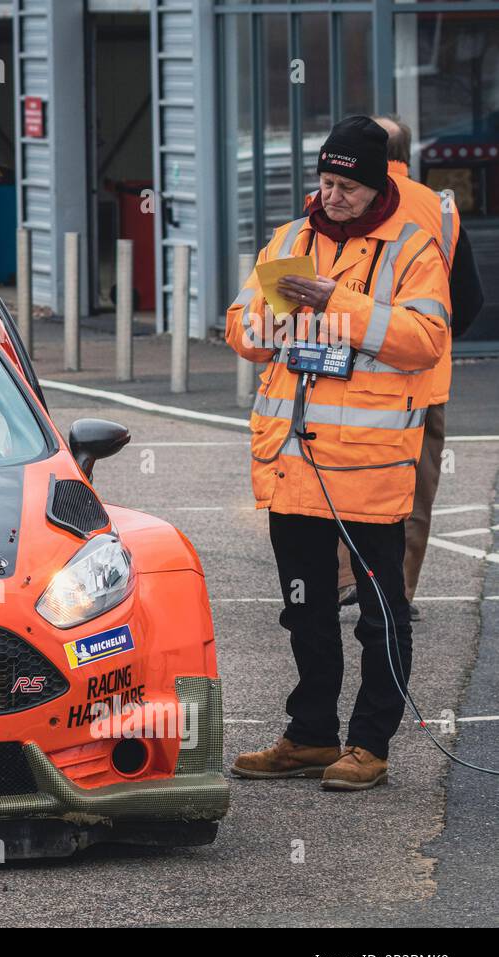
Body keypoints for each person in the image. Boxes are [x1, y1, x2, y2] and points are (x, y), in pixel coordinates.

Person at [224, 116, 451, 792]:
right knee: (305, 609)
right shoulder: (292, 239)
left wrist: (337, 303)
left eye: (345, 186)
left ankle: (370, 744)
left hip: (371, 470)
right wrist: (277, 315)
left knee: (381, 615)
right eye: (324, 182)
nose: (331, 197)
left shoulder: (411, 248)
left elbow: (425, 338)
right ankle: (311, 734)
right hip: (292, 466)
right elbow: (243, 331)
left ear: (376, 183)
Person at [334, 114, 487, 616]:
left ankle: (338, 579)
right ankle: (396, 593)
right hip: (423, 382)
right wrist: (436, 341)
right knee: (413, 494)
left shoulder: (337, 199)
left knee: (339, 479)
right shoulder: (440, 209)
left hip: (345, 375)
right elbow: (467, 299)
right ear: (408, 151)